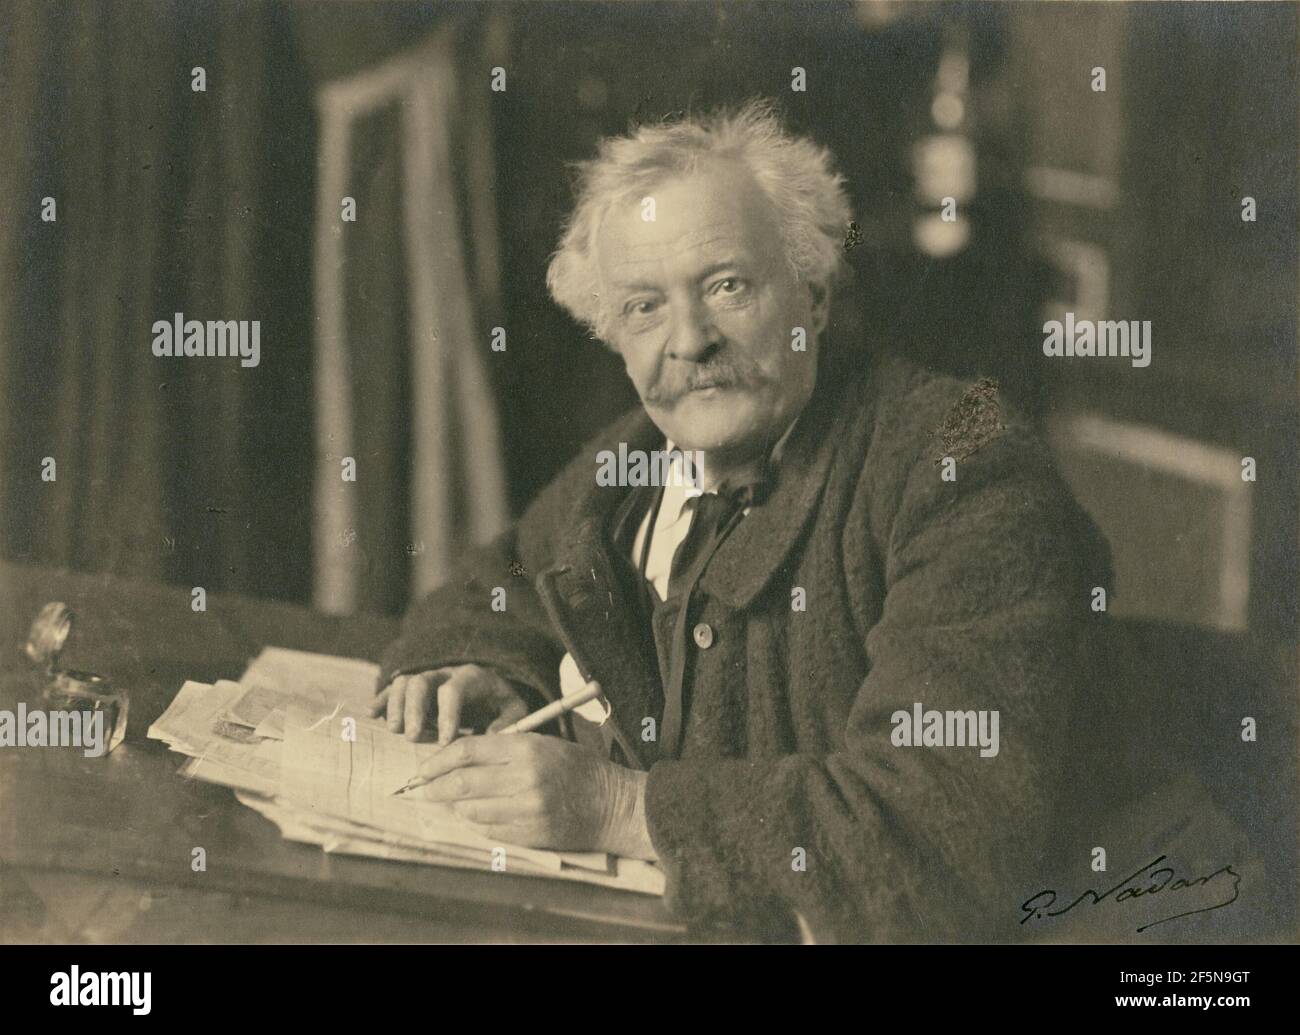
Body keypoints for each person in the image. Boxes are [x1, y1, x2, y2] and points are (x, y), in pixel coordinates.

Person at [372, 99, 1109, 942]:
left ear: (816, 294)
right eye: (644, 307)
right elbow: (500, 581)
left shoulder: (964, 460)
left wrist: (621, 807)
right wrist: (484, 665)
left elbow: (939, 834)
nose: (690, 340)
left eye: (727, 286)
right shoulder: (641, 458)